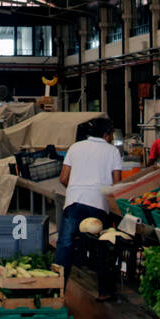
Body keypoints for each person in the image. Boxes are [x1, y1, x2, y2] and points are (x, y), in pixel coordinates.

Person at [56, 116, 122, 301]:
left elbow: (63, 178)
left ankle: (56, 289)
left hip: (74, 202)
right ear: (106, 134)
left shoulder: (75, 147)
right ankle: (103, 292)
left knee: (65, 245)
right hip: (99, 204)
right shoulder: (112, 152)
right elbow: (117, 184)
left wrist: (77, 187)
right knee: (103, 246)